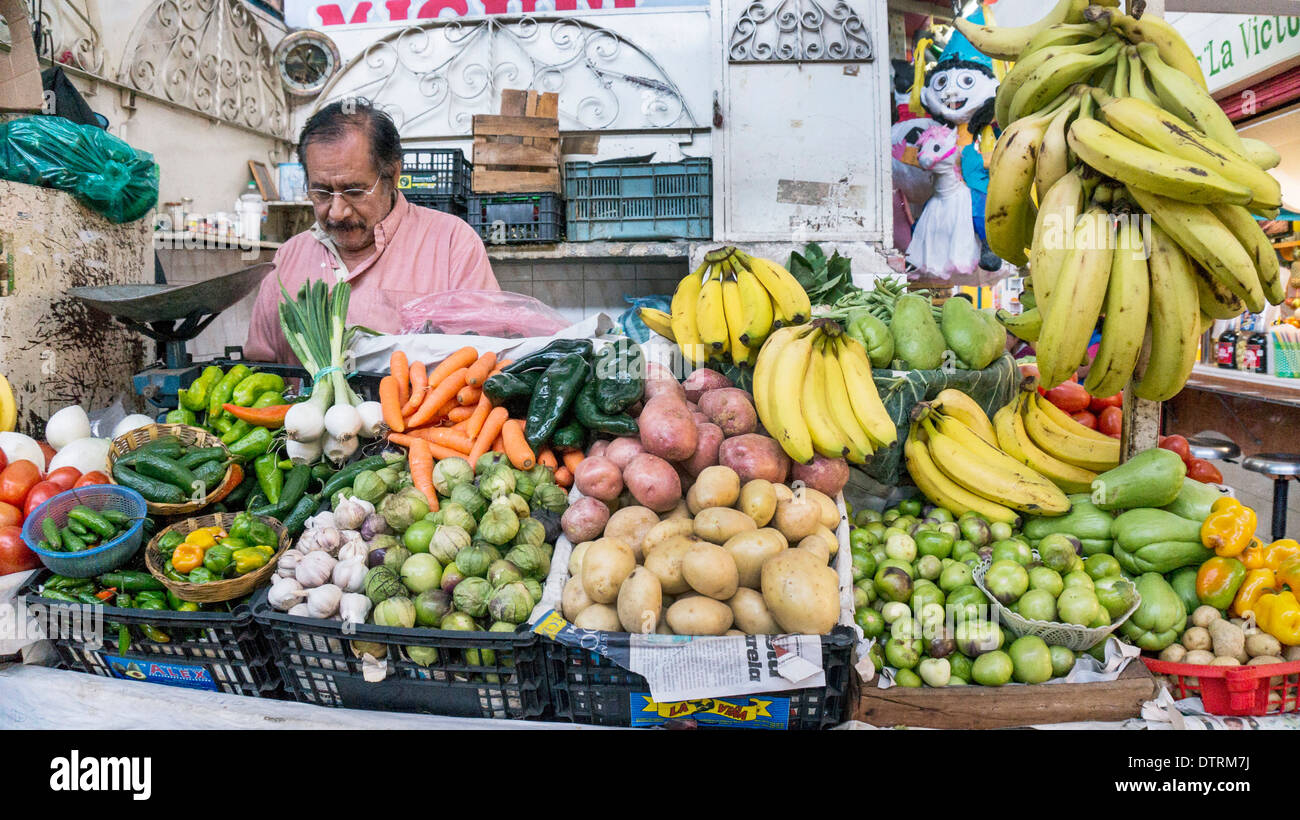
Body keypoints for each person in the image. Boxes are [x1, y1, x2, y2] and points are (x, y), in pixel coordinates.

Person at [244, 98, 498, 362]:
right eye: (321, 192)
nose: (337, 211)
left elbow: (483, 359)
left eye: (354, 191)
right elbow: (260, 368)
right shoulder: (288, 258)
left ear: (393, 174)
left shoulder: (452, 243)